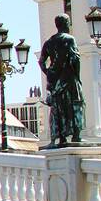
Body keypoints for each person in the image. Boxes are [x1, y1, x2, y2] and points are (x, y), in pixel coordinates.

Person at [39, 14, 85, 148]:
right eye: (69, 23)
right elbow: (75, 59)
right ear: (66, 24)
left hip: (54, 80)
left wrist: (48, 72)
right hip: (69, 78)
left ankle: (62, 137)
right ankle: (76, 135)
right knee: (76, 104)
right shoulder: (70, 39)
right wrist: (77, 76)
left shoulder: (48, 42)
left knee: (58, 108)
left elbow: (41, 61)